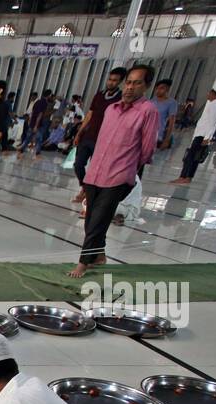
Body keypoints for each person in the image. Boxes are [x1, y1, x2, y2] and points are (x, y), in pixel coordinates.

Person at [69, 65, 159, 279]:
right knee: (91, 218)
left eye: (137, 83)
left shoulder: (148, 111)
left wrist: (128, 167)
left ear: (146, 86)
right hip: (96, 172)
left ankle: (83, 263)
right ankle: (98, 255)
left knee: (99, 219)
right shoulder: (112, 109)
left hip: (119, 175)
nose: (130, 88)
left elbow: (147, 149)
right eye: (128, 82)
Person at [72, 67, 125, 205]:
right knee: (78, 164)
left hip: (103, 140)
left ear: (120, 82)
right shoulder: (99, 95)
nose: (111, 83)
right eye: (110, 79)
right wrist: (79, 132)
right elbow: (90, 114)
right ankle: (84, 187)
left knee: (95, 169)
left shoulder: (120, 99)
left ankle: (88, 194)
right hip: (88, 136)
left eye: (115, 81)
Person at [171, 87, 216, 185]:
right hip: (200, 134)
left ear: (214, 94)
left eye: (209, 93)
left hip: (202, 135)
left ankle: (183, 177)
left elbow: (212, 122)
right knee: (195, 156)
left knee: (190, 157)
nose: (207, 94)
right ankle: (188, 177)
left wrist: (207, 137)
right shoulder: (212, 104)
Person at [151, 78, 178, 150]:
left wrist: (166, 140)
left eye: (161, 88)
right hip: (145, 134)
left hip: (158, 136)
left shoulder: (171, 103)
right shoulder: (152, 101)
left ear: (167, 89)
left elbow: (171, 122)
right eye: (157, 88)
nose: (158, 90)